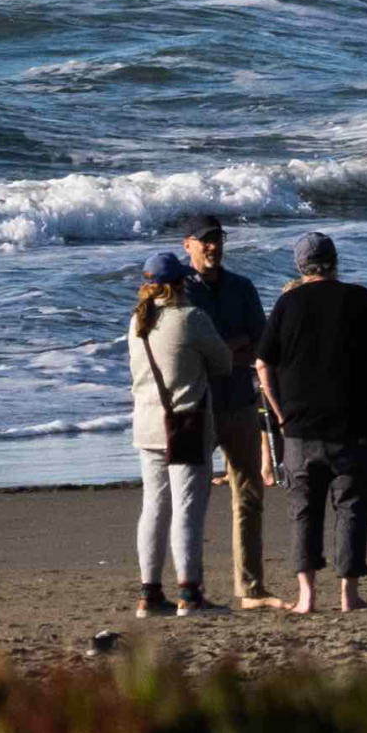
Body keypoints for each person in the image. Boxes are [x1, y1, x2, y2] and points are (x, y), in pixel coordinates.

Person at [257, 234, 367, 612]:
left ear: (299, 266)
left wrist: (279, 411)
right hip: (353, 422)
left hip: (300, 426)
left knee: (303, 509)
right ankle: (348, 594)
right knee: (352, 506)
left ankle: (307, 596)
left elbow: (263, 364)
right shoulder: (359, 298)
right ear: (335, 262)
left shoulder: (287, 303)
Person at [126, 248, 230, 617]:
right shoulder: (190, 318)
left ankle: (150, 593)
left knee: (154, 508)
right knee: (186, 508)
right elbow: (223, 362)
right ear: (178, 285)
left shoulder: (137, 322)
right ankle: (189, 593)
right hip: (185, 422)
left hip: (147, 424)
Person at [178, 213, 271, 605]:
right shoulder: (178, 289)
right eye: (205, 240)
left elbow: (260, 344)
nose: (213, 246)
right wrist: (229, 349)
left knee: (249, 494)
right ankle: (189, 589)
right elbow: (181, 351)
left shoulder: (242, 287)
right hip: (190, 406)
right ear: (188, 245)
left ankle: (250, 587)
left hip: (238, 401)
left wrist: (218, 352)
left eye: (217, 239)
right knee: (186, 498)